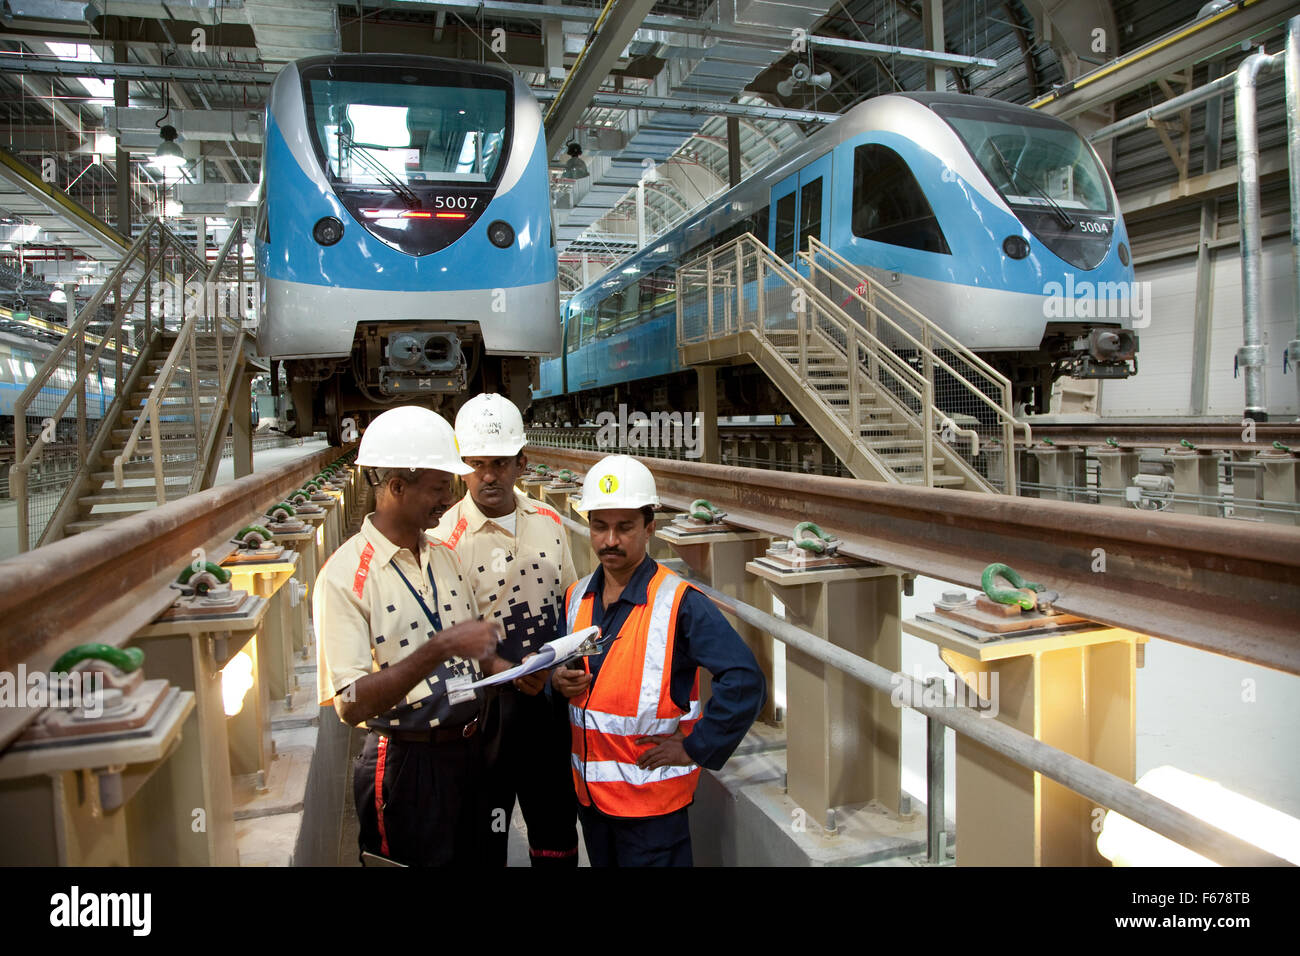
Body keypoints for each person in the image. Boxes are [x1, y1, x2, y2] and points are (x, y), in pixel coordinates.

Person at [314, 404, 508, 867]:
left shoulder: (444, 555)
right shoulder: (344, 579)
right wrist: (439, 648)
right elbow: (352, 702)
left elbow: (472, 653)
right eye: (439, 488)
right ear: (397, 487)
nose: (449, 498)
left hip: (469, 752)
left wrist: (511, 671)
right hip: (406, 767)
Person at [552, 454, 766, 866]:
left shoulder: (678, 603)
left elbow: (744, 681)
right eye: (599, 526)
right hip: (592, 802)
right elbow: (573, 672)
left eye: (625, 527)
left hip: (650, 811)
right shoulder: (577, 596)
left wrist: (696, 746)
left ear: (650, 528)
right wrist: (558, 681)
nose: (609, 540)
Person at [436, 393, 579, 867]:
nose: (488, 476)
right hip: (482, 716)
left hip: (547, 707)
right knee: (483, 837)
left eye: (499, 462)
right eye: (476, 464)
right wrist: (502, 669)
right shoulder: (441, 539)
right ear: (462, 466)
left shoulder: (550, 523)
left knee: (555, 833)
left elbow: (569, 607)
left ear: (522, 461)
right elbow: (443, 637)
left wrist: (564, 668)